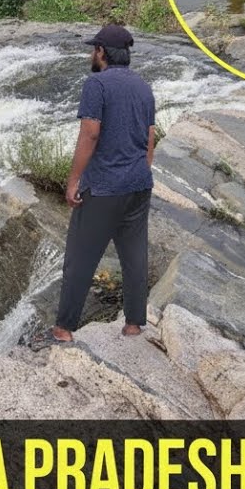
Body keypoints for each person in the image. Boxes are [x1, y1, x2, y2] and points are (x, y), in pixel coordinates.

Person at [52, 24, 155, 342]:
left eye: (93, 49)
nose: (91, 54)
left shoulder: (96, 84)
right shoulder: (143, 86)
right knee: (134, 256)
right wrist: (139, 171)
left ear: (102, 53)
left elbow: (90, 132)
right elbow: (150, 136)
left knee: (80, 259)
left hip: (104, 188)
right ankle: (134, 324)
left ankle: (63, 330)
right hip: (139, 185)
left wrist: (73, 181)